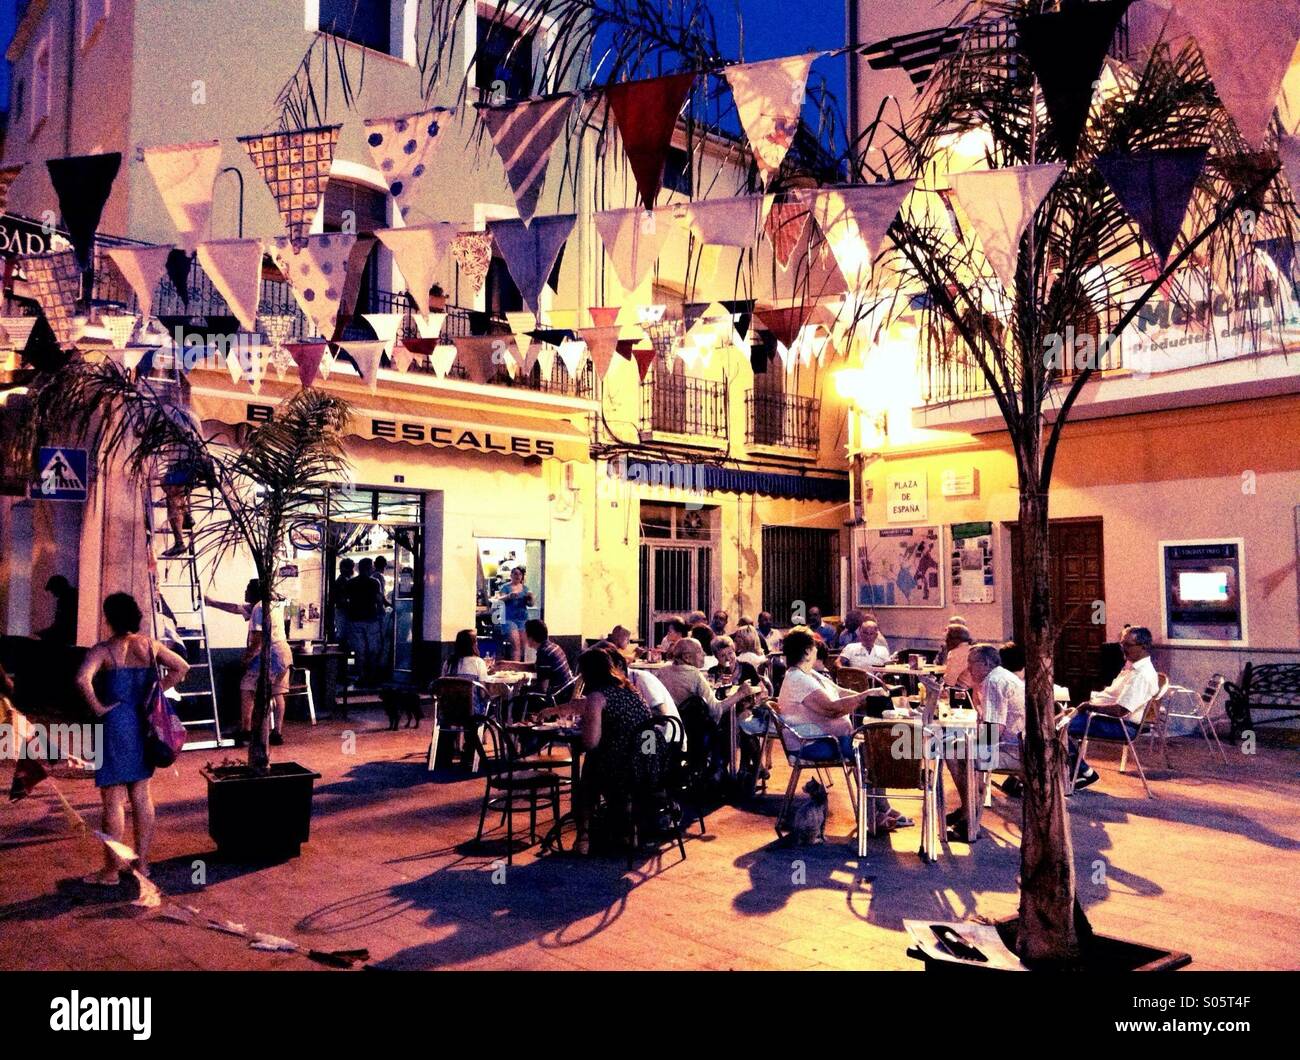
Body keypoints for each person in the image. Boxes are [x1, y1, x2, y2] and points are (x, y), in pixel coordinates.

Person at [75, 593, 189, 884]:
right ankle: (143, 865)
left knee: (112, 799)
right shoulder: (150, 645)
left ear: (109, 618)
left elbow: (81, 679)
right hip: (143, 721)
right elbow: (182, 667)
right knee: (141, 794)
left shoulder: (103, 649)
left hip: (114, 724)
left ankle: (111, 870)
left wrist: (99, 707)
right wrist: (155, 692)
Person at [777, 626, 909, 830]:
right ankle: (872, 815)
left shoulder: (809, 674)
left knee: (870, 747)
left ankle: (879, 809)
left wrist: (868, 693)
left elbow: (838, 692)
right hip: (811, 743)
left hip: (827, 739)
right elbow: (832, 709)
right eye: (813, 646)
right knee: (870, 752)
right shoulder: (797, 679)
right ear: (806, 651)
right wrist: (863, 697)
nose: (817, 649)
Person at [537, 647, 665, 855]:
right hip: (649, 763)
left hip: (626, 769)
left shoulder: (598, 696)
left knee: (589, 769)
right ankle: (627, 831)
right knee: (598, 761)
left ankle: (584, 836)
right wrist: (556, 710)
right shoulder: (628, 688)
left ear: (587, 673)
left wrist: (582, 725)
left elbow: (590, 742)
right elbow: (584, 706)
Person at [946, 644, 1025, 840]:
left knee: (951, 751)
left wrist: (968, 740)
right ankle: (968, 809)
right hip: (1021, 746)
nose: (968, 668)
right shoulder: (1001, 676)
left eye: (971, 663)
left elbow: (993, 732)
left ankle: (969, 819)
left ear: (986, 663)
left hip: (1014, 751)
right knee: (962, 749)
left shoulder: (993, 682)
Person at [207, 579, 294, 746]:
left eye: (247, 589)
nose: (245, 592)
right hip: (284, 653)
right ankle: (277, 733)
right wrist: (211, 602)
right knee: (278, 693)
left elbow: (258, 641)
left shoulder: (258, 608)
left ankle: (245, 730)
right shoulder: (270, 605)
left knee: (247, 688)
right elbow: (235, 608)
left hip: (270, 654)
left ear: (255, 592)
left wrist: (246, 658)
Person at [1071, 627, 1159, 756]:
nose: (1123, 648)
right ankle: (1076, 769)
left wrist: (1089, 706)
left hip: (1121, 726)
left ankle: (1081, 771)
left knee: (1058, 728)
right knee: (1057, 722)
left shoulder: (1142, 675)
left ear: (1144, 646)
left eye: (1128, 645)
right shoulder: (1131, 667)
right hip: (1107, 719)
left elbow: (1120, 710)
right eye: (1122, 644)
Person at [345, 558, 386, 687]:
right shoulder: (375, 583)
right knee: (373, 649)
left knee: (359, 650)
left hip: (355, 620)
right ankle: (372, 676)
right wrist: (383, 612)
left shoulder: (351, 583)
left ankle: (361, 675)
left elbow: (346, 600)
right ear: (370, 568)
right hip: (371, 619)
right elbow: (379, 600)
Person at [495, 566, 533, 661]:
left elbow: (530, 604)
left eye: (520, 574)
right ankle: (515, 669)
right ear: (511, 575)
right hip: (509, 619)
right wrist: (509, 596)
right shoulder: (505, 587)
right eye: (515, 573)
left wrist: (531, 598)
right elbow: (499, 600)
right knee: (516, 645)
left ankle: (521, 668)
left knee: (523, 647)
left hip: (522, 619)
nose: (518, 576)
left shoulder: (525, 588)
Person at [524, 618, 572, 691]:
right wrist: (510, 665)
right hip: (567, 690)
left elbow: (543, 688)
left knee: (520, 693)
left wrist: (525, 687)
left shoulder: (544, 654)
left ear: (531, 638)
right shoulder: (553, 647)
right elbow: (537, 666)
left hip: (557, 696)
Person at [37, 575, 79, 646]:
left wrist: (48, 633)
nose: (53, 594)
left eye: (53, 590)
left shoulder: (66, 600)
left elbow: (63, 623)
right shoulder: (68, 598)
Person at [941, 624, 975, 688]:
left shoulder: (955, 653)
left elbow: (949, 681)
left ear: (951, 639)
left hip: (963, 692)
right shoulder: (974, 649)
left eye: (946, 639)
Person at [332, 558, 355, 644]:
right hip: (342, 610)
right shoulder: (342, 581)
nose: (352, 570)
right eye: (351, 568)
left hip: (342, 610)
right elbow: (341, 599)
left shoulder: (344, 580)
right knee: (343, 634)